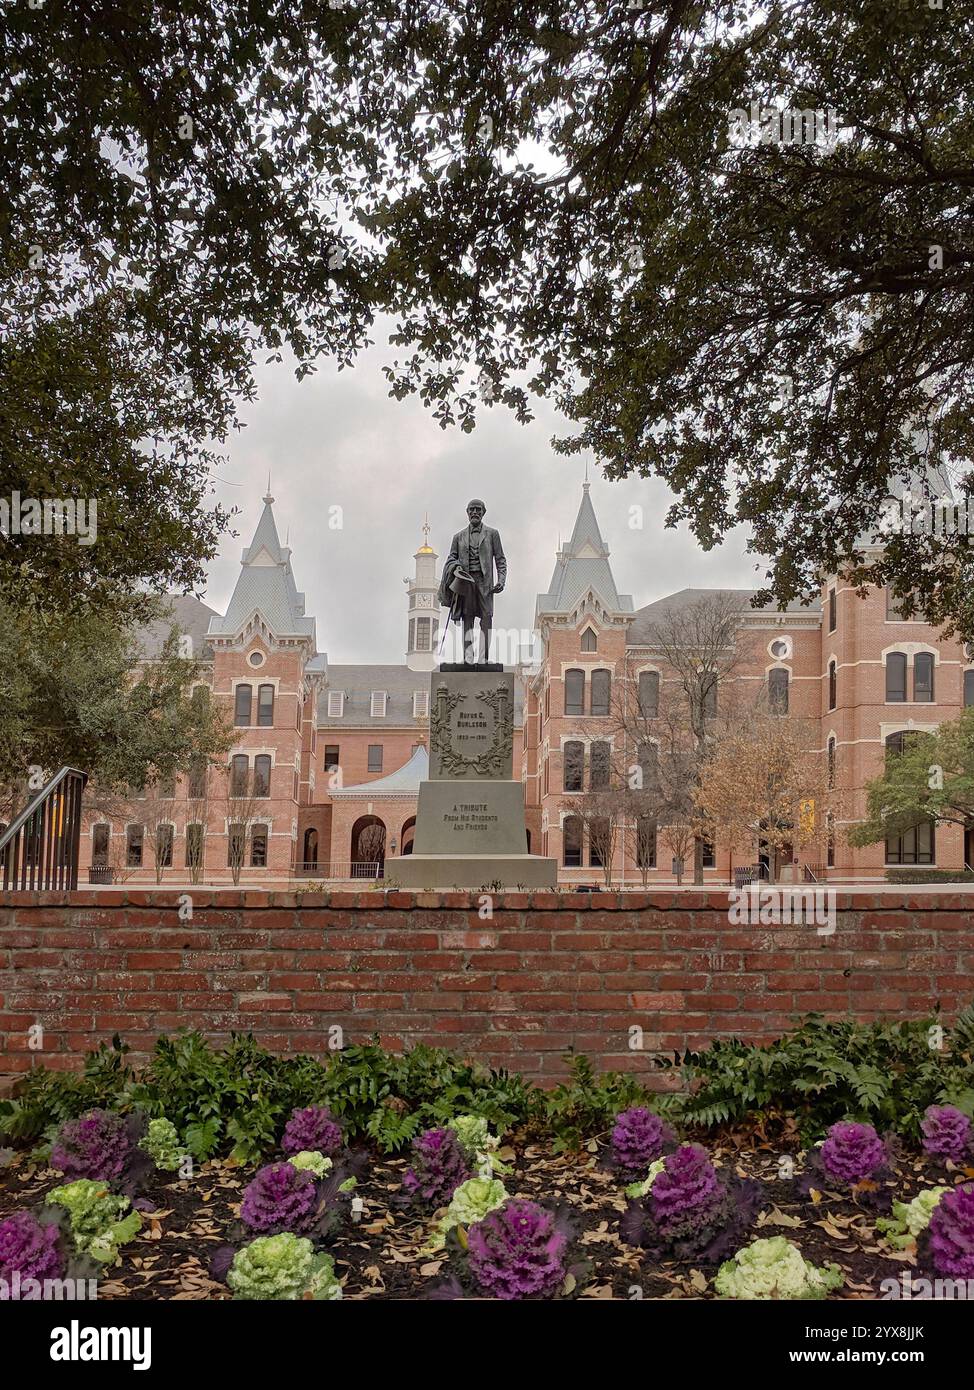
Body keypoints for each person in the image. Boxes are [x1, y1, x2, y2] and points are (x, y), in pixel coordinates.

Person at [437, 499, 507, 664]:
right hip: (466, 582)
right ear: (467, 513)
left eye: (478, 509)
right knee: (467, 618)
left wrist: (501, 580)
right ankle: (468, 657)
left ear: (483, 512)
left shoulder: (492, 534)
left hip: (485, 583)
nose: (475, 512)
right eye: (471, 510)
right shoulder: (458, 537)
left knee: (486, 618)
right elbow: (451, 558)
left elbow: (500, 560)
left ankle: (483, 657)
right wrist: (454, 567)